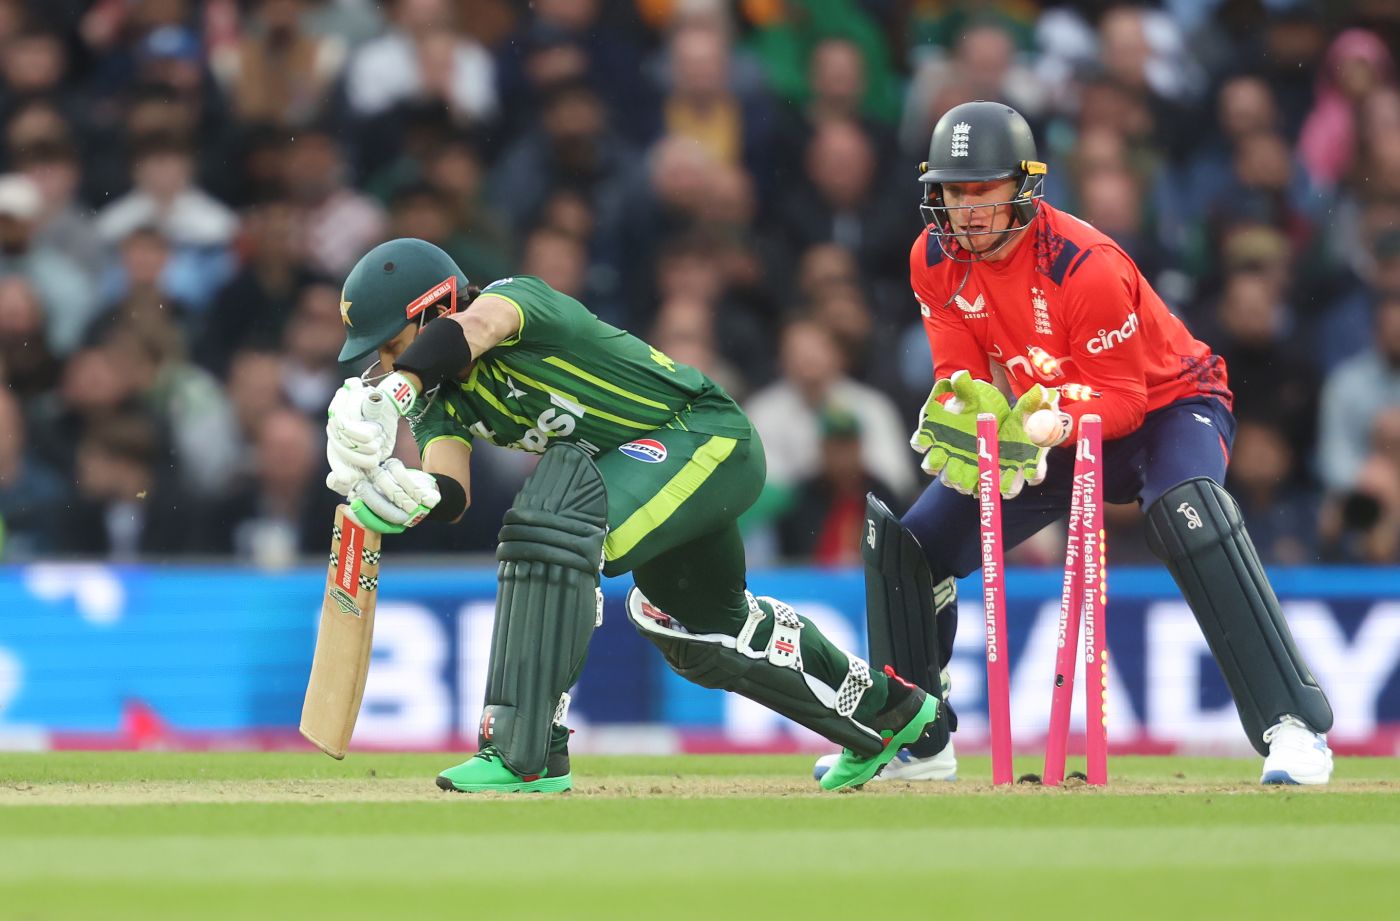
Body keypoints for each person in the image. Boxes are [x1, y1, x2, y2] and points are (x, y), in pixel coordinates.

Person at [816, 101, 1335, 786]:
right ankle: (918, 738)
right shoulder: (933, 258)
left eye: (983, 191)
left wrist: (1052, 420)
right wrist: (969, 419)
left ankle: (1293, 728)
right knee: (910, 549)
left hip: (1169, 405)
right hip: (1048, 415)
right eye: (953, 191)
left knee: (1190, 513)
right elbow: (960, 376)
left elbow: (1122, 399)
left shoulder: (1084, 266)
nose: (966, 210)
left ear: (1024, 188)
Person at [323, 237, 938, 793]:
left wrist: (396, 387)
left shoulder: (515, 302)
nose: (385, 364)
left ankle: (526, 753)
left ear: (435, 308)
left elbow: (476, 327)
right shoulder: (438, 401)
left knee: (555, 524)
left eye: (391, 344)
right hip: (643, 473)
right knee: (695, 627)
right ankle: (890, 714)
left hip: (705, 437)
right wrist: (402, 497)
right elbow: (450, 488)